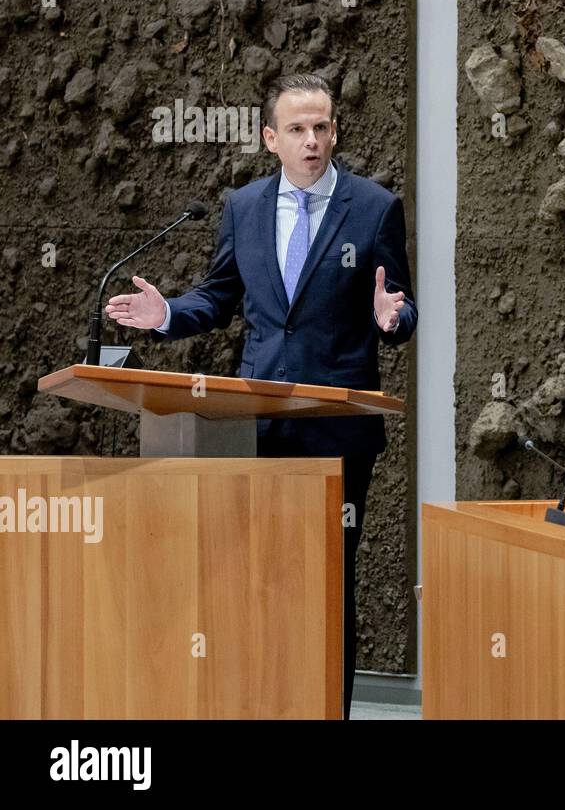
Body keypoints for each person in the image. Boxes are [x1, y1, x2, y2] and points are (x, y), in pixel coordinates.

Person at [104, 72, 417, 717]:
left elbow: (400, 308)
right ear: (271, 138)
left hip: (337, 429)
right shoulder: (243, 207)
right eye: (297, 130)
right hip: (253, 427)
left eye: (323, 127)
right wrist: (167, 313)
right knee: (255, 576)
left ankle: (329, 710)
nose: (313, 141)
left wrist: (393, 318)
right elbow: (220, 298)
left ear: (335, 131)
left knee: (329, 578)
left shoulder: (375, 207)